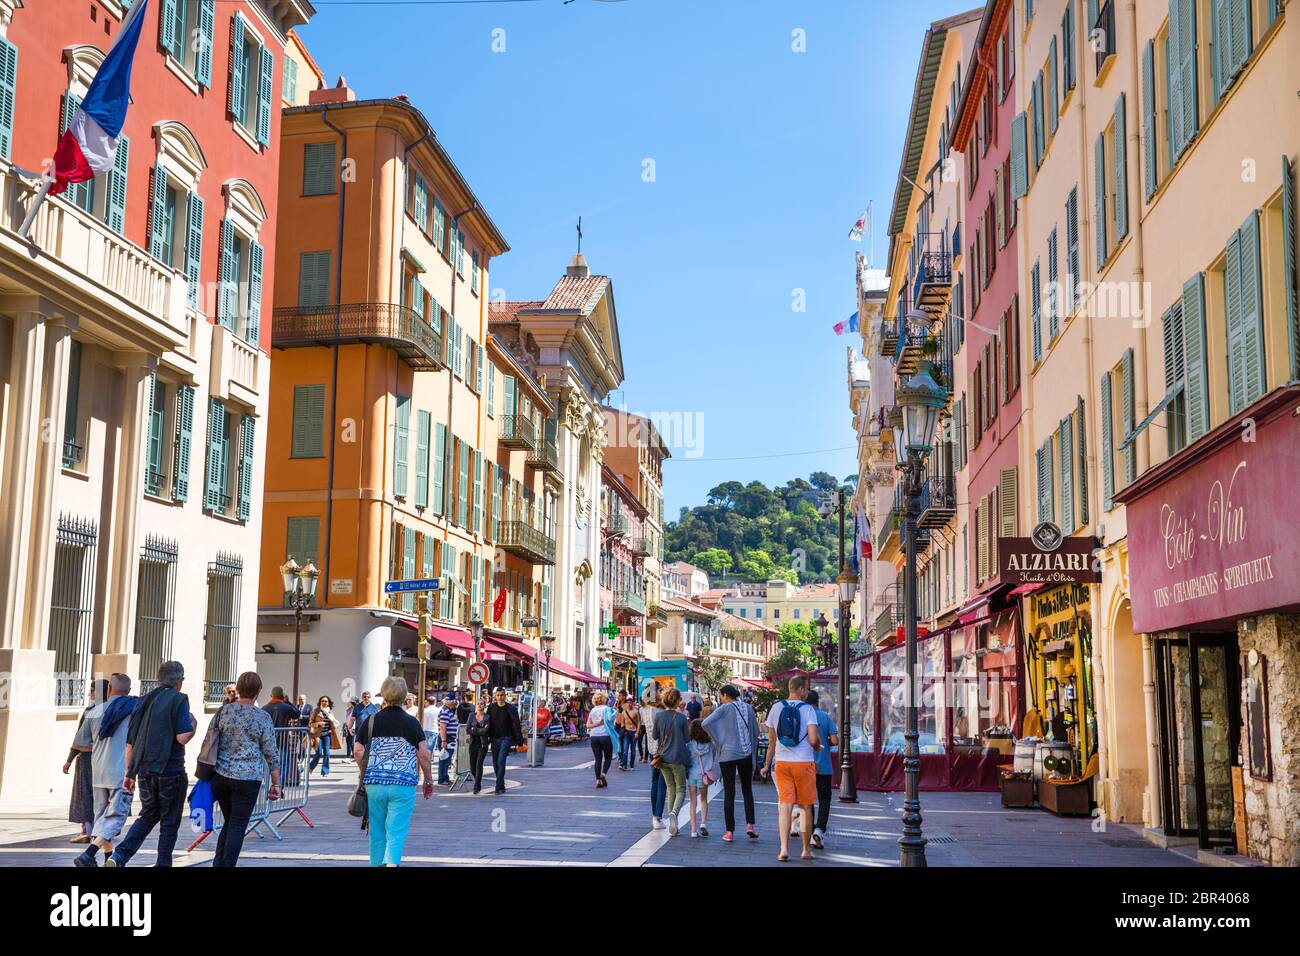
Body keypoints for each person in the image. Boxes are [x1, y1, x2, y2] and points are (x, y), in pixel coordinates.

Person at [105, 661, 196, 867]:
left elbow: (130, 742)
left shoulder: (142, 701)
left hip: (144, 770)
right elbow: (183, 737)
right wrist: (193, 724)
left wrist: (129, 774)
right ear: (178, 680)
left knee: (148, 815)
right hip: (170, 770)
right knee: (170, 821)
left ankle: (119, 856)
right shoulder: (179, 699)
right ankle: (163, 863)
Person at [353, 676, 433, 866]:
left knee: (377, 830)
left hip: (374, 784)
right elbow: (424, 755)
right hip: (402, 785)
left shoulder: (371, 721)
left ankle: (377, 864)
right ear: (404, 696)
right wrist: (428, 780)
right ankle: (392, 863)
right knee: (396, 830)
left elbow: (358, 750)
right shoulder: (411, 722)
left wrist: (366, 768)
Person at [208, 672, 281, 867]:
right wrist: (276, 783)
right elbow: (271, 753)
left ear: (238, 689)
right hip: (248, 778)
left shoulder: (223, 712)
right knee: (238, 824)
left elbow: (210, 741)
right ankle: (227, 864)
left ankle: (218, 863)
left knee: (229, 820)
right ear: (258, 691)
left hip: (221, 775)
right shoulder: (262, 717)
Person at [73, 674, 138, 868]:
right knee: (116, 818)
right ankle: (88, 854)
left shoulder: (95, 710)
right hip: (121, 773)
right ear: (128, 690)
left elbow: (80, 743)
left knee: (101, 819)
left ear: (109, 688)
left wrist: (101, 746)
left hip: (98, 772)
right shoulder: (133, 709)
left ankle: (108, 858)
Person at [760, 674, 821, 862]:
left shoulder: (776, 708)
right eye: (807, 689)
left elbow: (771, 741)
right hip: (804, 763)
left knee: (785, 806)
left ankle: (784, 849)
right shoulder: (808, 710)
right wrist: (819, 746)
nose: (807, 692)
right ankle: (805, 849)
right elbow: (812, 739)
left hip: (782, 763)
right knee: (805, 807)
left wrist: (766, 764)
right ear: (801, 689)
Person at [702, 683, 761, 843]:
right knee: (747, 790)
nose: (720, 699)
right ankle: (750, 825)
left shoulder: (725, 708)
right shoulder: (748, 708)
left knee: (729, 792)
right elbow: (755, 731)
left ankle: (729, 832)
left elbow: (705, 723)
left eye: (721, 696)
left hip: (727, 754)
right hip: (746, 753)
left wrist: (720, 741)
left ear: (726, 696)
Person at [65, 679, 107, 844]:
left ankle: (87, 832)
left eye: (92, 690)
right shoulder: (112, 710)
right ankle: (101, 831)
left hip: (87, 759)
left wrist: (68, 760)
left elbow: (80, 738)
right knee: (101, 795)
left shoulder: (92, 711)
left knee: (85, 794)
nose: (90, 693)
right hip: (104, 759)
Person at [652, 688, 692, 836]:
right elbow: (687, 739)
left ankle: (672, 825)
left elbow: (655, 736)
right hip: (678, 758)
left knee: (670, 788)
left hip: (663, 758)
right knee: (681, 788)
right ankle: (674, 813)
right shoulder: (681, 718)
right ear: (677, 701)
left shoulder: (659, 716)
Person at [805, 690, 840, 851]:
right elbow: (835, 740)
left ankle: (811, 829)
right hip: (824, 766)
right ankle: (819, 830)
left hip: (806, 765)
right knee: (824, 800)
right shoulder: (825, 717)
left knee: (808, 800)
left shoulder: (803, 717)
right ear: (817, 702)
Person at [484, 687, 524, 794]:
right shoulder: (491, 708)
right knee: (495, 762)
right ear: (495, 696)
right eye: (498, 695)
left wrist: (520, 740)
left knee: (501, 761)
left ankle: (498, 786)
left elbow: (516, 724)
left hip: (506, 738)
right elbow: (487, 723)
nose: (500, 697)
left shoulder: (511, 708)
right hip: (494, 738)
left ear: (505, 696)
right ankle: (501, 784)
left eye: (502, 695)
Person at [686, 719, 718, 839]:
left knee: (693, 801)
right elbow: (714, 757)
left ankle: (693, 830)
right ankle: (703, 822)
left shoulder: (689, 745)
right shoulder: (710, 745)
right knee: (704, 800)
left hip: (692, 775)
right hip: (704, 776)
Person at [641, 687, 668, 828]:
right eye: (659, 690)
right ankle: (658, 816)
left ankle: (654, 815)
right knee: (662, 784)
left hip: (651, 749)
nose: (661, 692)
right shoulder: (660, 711)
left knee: (654, 782)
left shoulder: (644, 710)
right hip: (662, 750)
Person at [586, 692, 615, 787]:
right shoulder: (607, 709)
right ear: (604, 699)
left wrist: (596, 724)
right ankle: (603, 774)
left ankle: (598, 780)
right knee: (608, 757)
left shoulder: (592, 710)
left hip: (594, 736)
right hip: (605, 735)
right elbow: (611, 721)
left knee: (597, 759)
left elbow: (588, 725)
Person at [308, 696, 340, 776]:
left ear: (328, 703)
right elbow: (310, 723)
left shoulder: (330, 712)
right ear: (320, 702)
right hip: (318, 735)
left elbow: (333, 723)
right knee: (318, 753)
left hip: (327, 735)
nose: (324, 702)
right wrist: (318, 724)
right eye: (322, 701)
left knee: (327, 753)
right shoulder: (316, 711)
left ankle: (325, 771)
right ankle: (311, 767)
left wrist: (331, 728)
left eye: (326, 701)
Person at [465, 699, 491, 794]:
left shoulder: (487, 717)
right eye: (478, 704)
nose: (480, 705)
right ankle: (477, 781)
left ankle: (477, 786)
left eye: (482, 704)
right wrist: (479, 729)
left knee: (478, 764)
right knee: (472, 767)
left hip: (483, 744)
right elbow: (468, 729)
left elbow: (486, 730)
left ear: (485, 705)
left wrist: (474, 729)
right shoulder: (471, 715)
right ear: (476, 705)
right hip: (473, 743)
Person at [437, 695, 460, 785]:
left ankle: (444, 777)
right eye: (455, 702)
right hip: (447, 738)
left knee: (446, 759)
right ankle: (442, 778)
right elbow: (443, 727)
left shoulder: (449, 712)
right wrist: (444, 740)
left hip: (449, 738)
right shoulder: (445, 712)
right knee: (444, 759)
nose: (456, 704)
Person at [617, 695, 640, 770]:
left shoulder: (636, 712)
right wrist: (623, 732)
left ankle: (632, 765)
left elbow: (639, 722)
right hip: (627, 732)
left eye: (630, 703)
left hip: (634, 732)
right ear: (626, 704)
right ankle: (624, 765)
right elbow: (622, 723)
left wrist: (637, 732)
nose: (629, 704)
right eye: (628, 703)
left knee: (633, 751)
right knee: (625, 750)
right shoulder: (624, 712)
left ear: (632, 703)